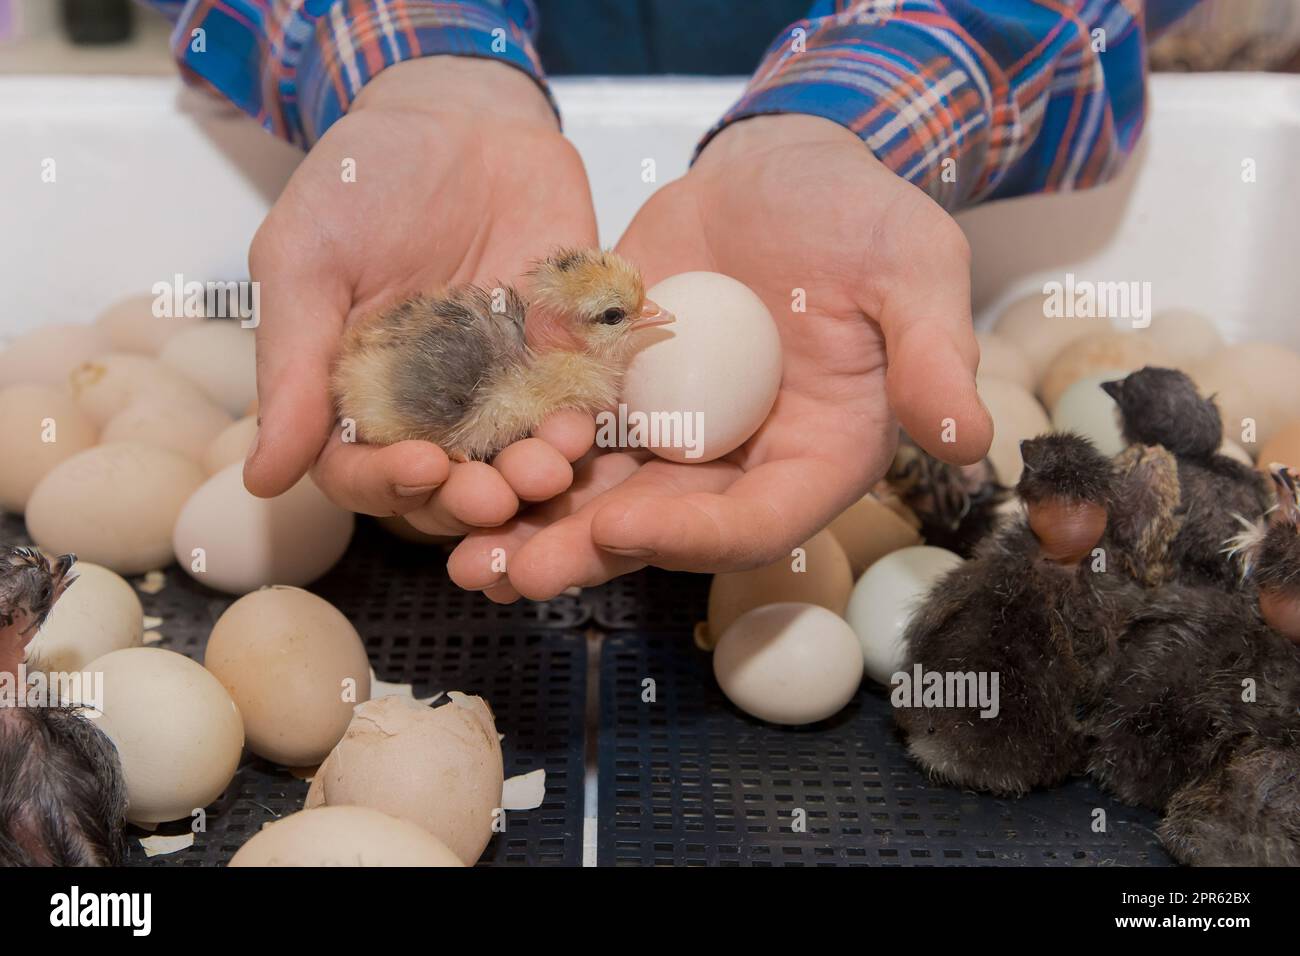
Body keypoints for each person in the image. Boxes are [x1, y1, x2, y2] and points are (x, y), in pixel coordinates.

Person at [140, 0, 1205, 602]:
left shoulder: (563, 360)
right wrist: (423, 67)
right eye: (617, 321)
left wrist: (858, 105)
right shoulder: (544, 368)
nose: (650, 325)